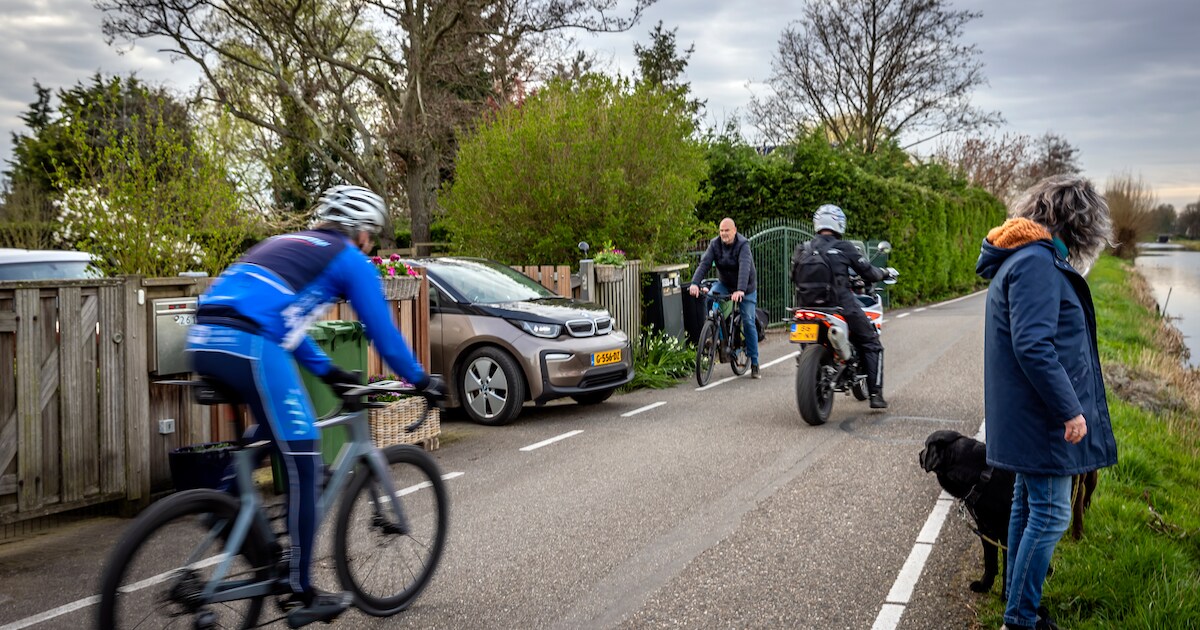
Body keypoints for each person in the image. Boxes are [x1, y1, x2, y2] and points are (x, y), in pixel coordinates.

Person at [186, 184, 440, 627]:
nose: (372, 244)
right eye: (372, 235)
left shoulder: (281, 244)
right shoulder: (348, 259)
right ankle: (300, 591)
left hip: (205, 338)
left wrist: (328, 372)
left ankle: (224, 508)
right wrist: (420, 379)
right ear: (360, 230)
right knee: (304, 454)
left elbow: (285, 322)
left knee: (272, 431)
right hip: (250, 344)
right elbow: (383, 333)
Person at [975, 176, 1118, 630]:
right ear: (1076, 221)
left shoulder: (1027, 258)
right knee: (1052, 514)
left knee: (1027, 506)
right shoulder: (1036, 263)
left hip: (1028, 415)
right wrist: (1069, 410)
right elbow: (1034, 345)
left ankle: (1020, 611)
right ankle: (1019, 618)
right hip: (1042, 420)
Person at [792, 204, 895, 408]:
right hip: (839, 306)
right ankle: (875, 394)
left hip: (806, 308)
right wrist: (884, 272)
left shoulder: (803, 248)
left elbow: (792, 277)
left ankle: (816, 362)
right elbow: (868, 272)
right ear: (839, 224)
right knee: (872, 342)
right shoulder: (844, 247)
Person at [688, 217, 761, 378]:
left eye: (727, 230)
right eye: (721, 231)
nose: (724, 234)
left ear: (734, 230)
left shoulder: (743, 245)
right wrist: (694, 283)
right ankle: (718, 336)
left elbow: (744, 267)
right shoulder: (715, 244)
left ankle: (755, 363)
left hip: (745, 288)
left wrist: (741, 290)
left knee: (748, 321)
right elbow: (705, 263)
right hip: (725, 284)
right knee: (709, 298)